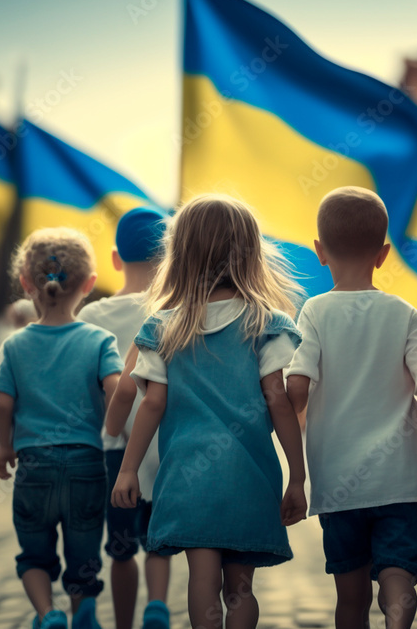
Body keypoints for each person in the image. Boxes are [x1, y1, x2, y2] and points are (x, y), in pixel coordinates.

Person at [110, 194, 307, 629]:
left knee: (201, 576)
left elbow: (152, 403)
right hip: (250, 476)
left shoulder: (163, 327)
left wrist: (127, 470)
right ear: (251, 254)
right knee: (240, 587)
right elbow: (278, 398)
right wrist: (298, 474)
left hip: (187, 477)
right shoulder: (265, 323)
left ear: (181, 256)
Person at [285, 187, 417, 629]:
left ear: (319, 251)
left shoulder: (314, 313)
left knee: (350, 595)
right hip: (402, 478)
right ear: (383, 254)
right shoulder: (406, 313)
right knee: (398, 570)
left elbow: (297, 385)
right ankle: (399, 612)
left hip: (339, 482)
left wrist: (281, 412)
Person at [0, 227, 124, 629]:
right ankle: (83, 610)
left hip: (34, 466)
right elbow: (117, 388)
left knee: (33, 556)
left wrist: (4, 447)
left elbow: (1, 403)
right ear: (89, 284)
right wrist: (112, 428)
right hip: (87, 463)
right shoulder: (100, 340)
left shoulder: (15, 345)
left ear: (25, 282)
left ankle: (48, 614)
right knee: (84, 555)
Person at [76, 207, 173, 629]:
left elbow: (83, 389)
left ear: (115, 259)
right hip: (163, 446)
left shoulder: (91, 318)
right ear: (169, 259)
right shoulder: (175, 312)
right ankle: (158, 605)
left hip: (114, 453)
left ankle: (123, 623)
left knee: (120, 548)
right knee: (158, 543)